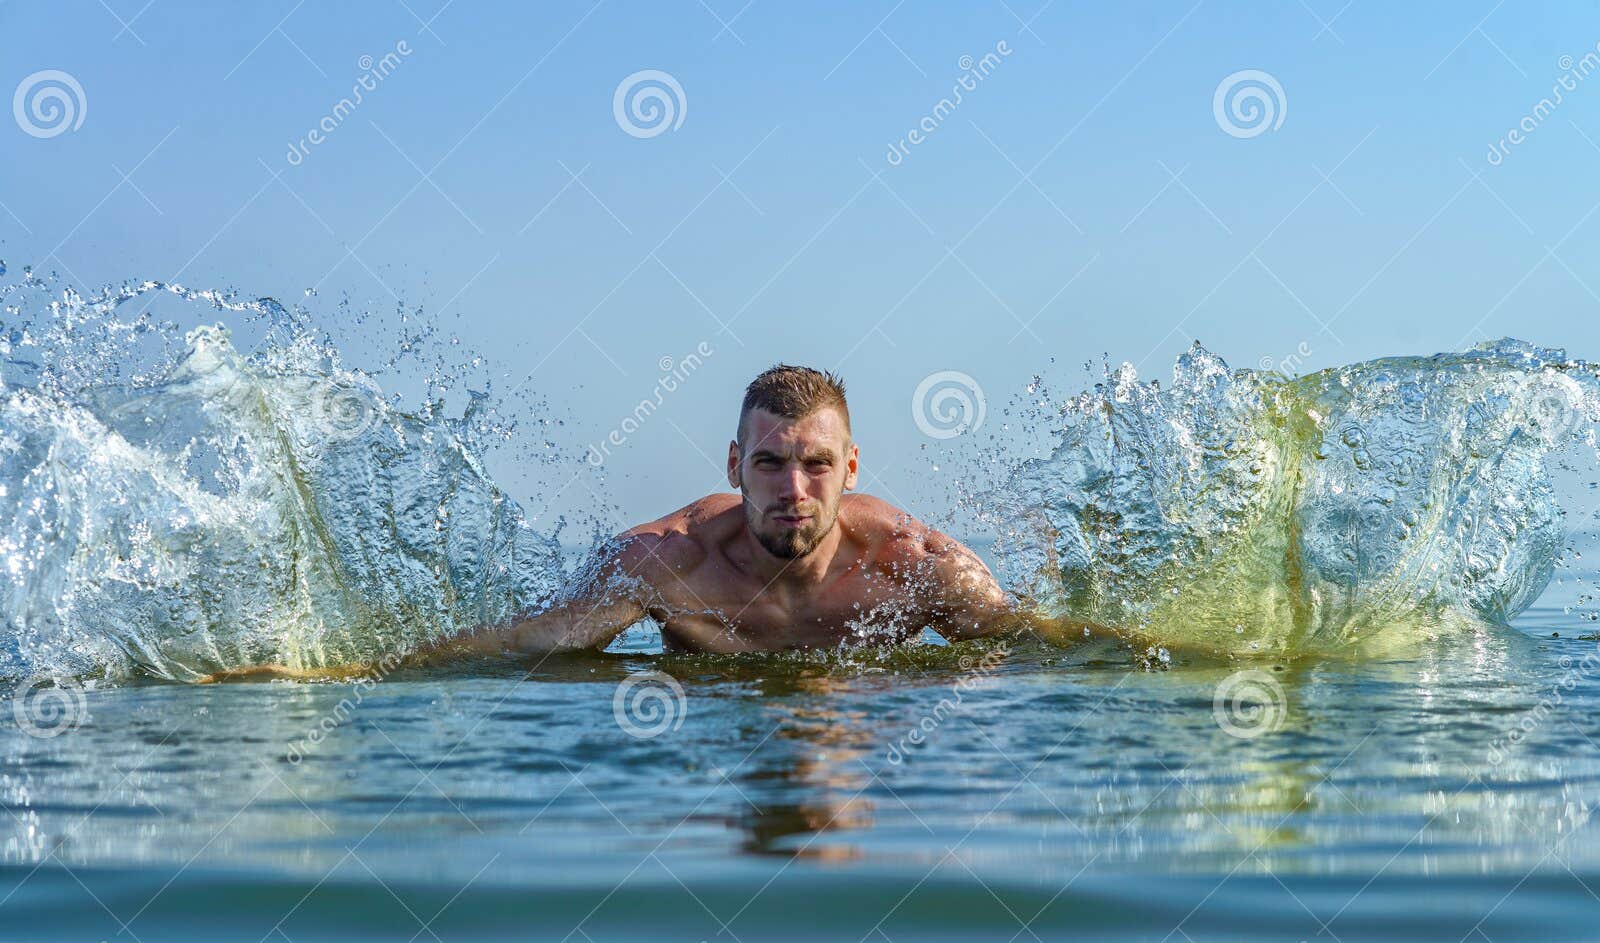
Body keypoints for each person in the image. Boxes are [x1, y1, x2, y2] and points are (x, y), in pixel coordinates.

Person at [214, 364, 1095, 678]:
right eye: (769, 464)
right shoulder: (664, 564)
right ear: (733, 468)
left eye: (818, 465)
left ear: (851, 470)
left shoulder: (915, 564)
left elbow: (1031, 642)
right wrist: (335, 673)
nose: (794, 488)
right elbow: (524, 643)